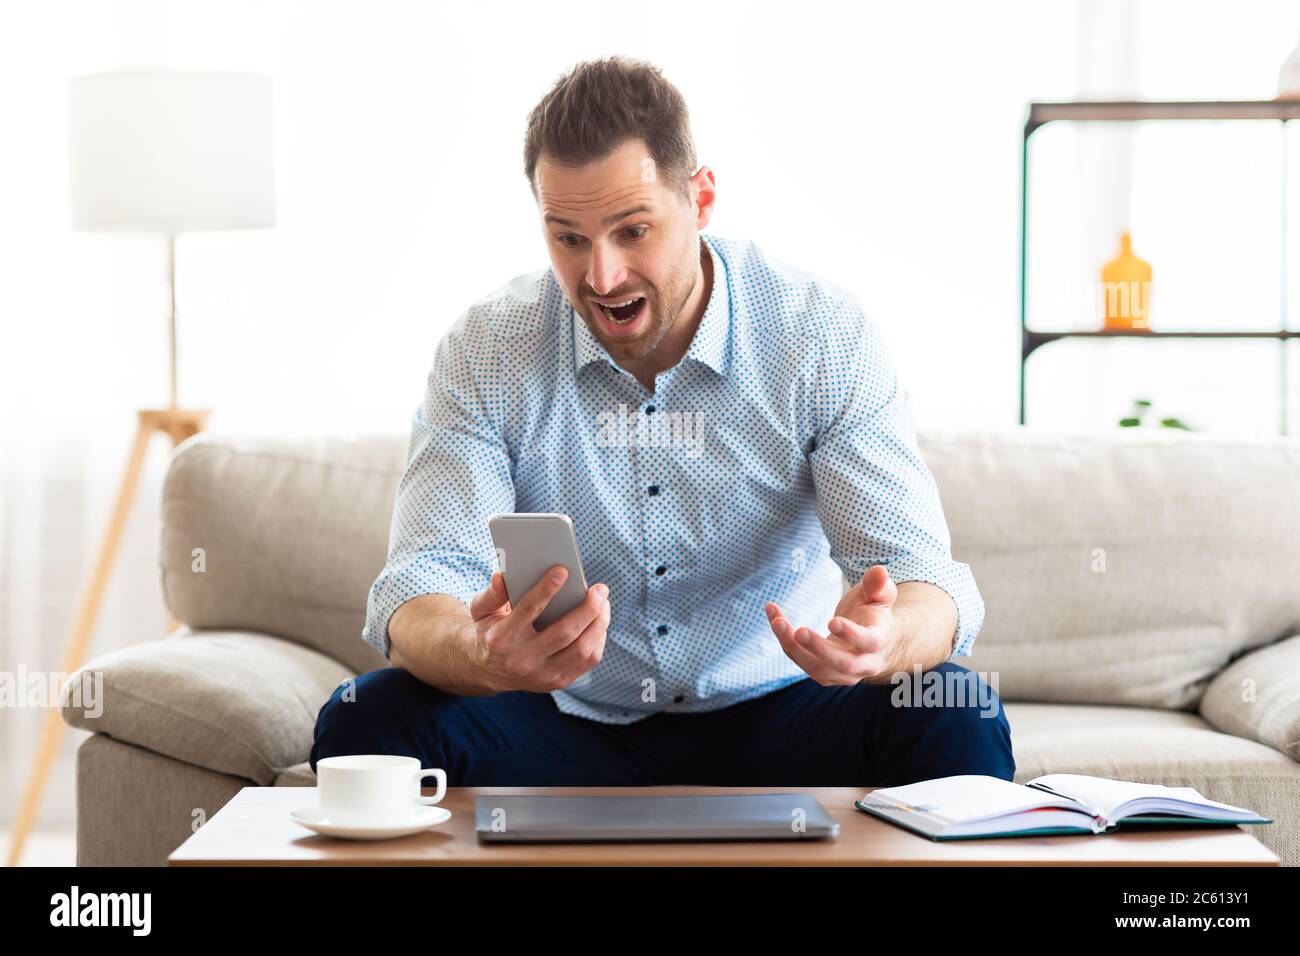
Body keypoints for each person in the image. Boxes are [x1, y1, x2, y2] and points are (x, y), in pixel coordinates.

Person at [311, 56, 1013, 787]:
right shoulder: (489, 349)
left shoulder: (819, 335)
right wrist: (482, 653)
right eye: (569, 238)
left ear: (701, 199)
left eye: (632, 231)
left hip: (782, 710)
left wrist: (887, 639)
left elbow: (926, 579)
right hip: (566, 721)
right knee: (366, 717)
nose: (601, 277)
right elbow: (419, 585)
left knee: (961, 711)